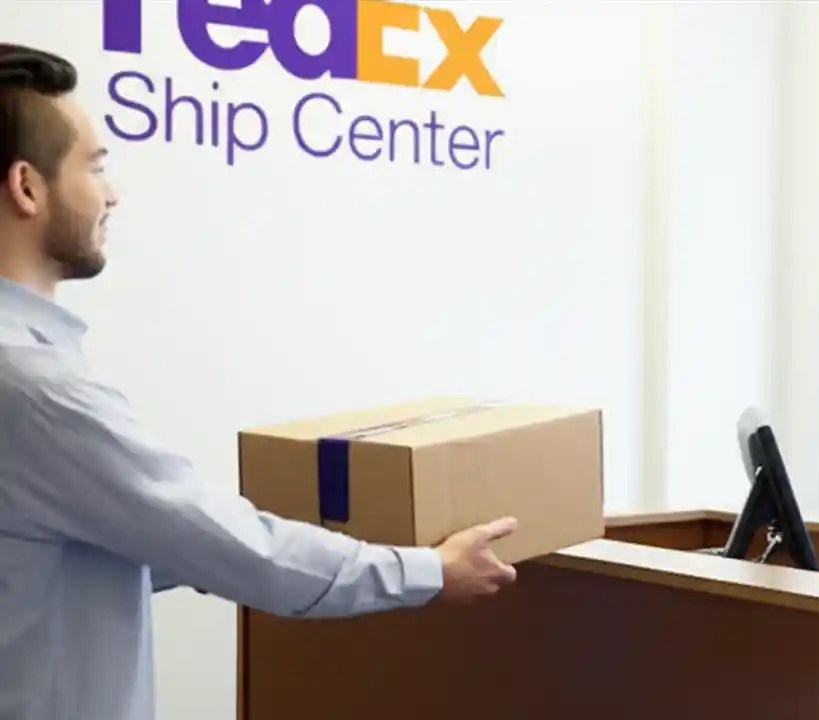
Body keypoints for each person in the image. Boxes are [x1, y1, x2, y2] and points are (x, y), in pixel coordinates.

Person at [0, 44, 520, 719]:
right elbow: (239, 554)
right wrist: (427, 573)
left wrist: (238, 533)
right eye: (95, 168)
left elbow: (79, 547)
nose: (113, 192)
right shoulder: (32, 384)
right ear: (27, 187)